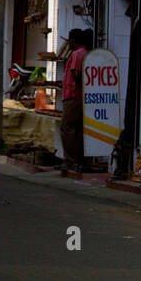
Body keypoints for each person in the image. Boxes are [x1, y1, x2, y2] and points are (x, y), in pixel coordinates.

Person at [60, 29, 88, 177]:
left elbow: (76, 74)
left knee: (67, 127)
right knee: (76, 129)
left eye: (69, 40)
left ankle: (71, 159)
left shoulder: (77, 54)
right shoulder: (85, 52)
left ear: (73, 40)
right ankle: (77, 159)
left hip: (73, 96)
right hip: (77, 96)